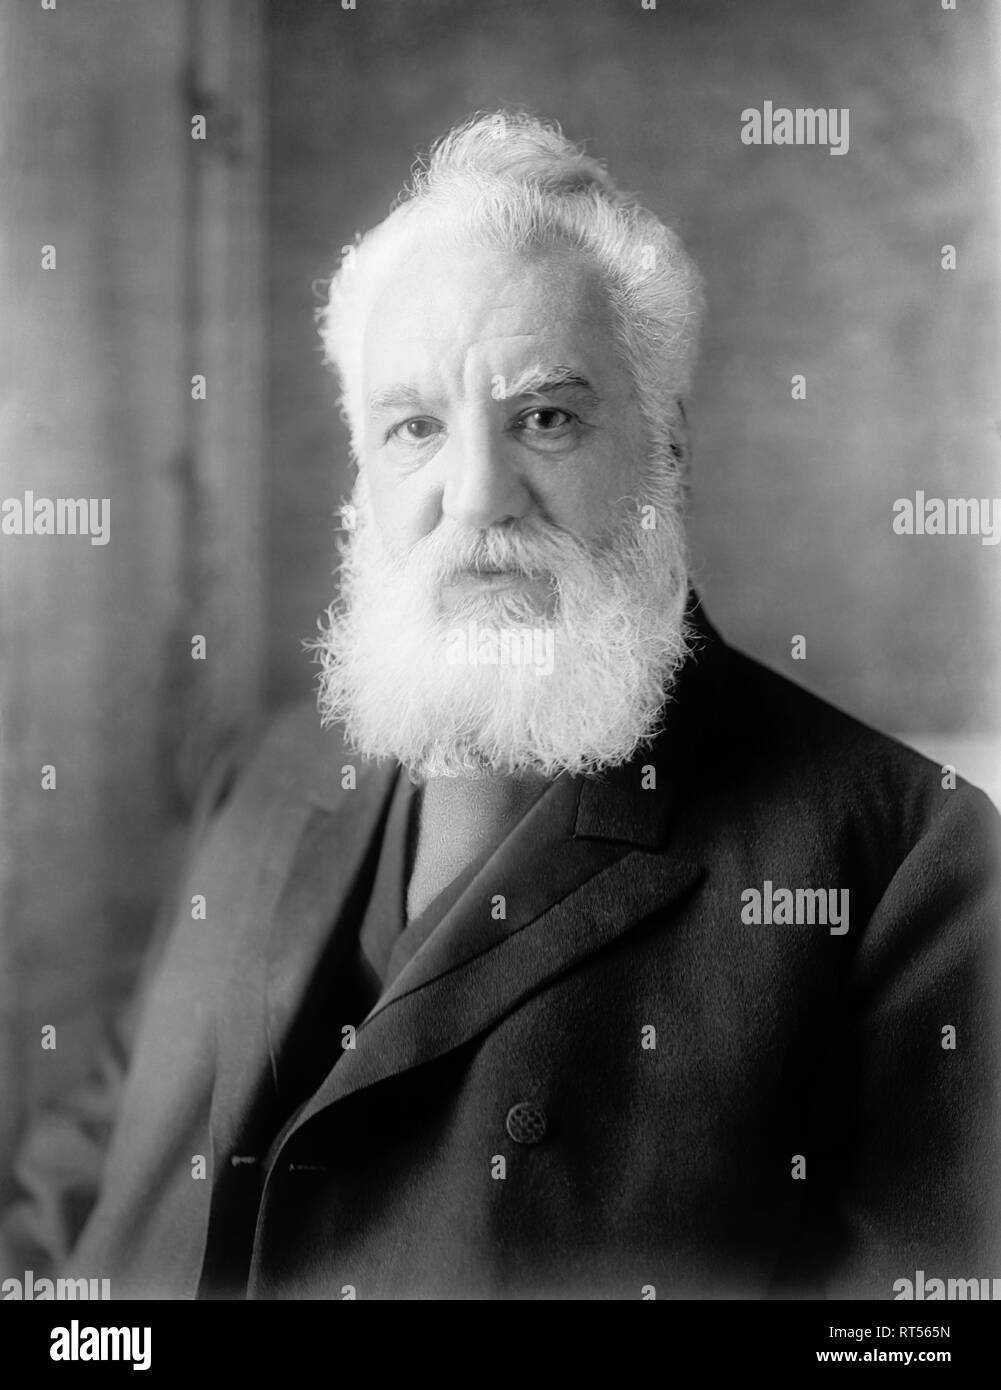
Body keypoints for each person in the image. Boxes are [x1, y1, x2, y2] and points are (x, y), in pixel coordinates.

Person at [2, 111, 997, 1301]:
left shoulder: (906, 863)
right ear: (363, 474)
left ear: (665, 449)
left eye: (544, 417)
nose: (475, 497)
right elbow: (94, 1157)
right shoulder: (267, 775)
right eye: (415, 427)